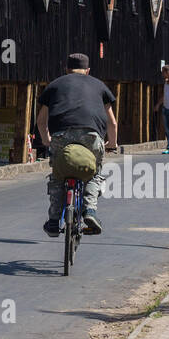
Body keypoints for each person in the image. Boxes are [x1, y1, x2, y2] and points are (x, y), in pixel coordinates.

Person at [36, 52, 118, 237]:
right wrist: (112, 143)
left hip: (61, 135)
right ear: (87, 70)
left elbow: (41, 121)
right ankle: (90, 212)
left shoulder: (55, 85)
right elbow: (112, 122)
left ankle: (54, 220)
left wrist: (47, 140)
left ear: (66, 69)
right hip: (91, 136)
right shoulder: (99, 86)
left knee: (57, 176)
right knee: (94, 174)